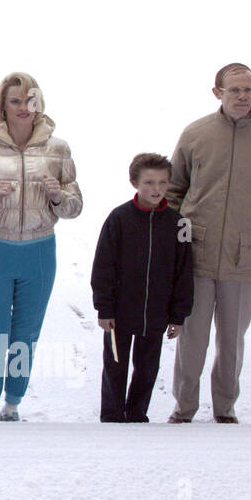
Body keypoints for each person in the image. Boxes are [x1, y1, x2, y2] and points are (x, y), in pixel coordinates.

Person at [166, 63, 251, 424]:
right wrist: (172, 249)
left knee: (232, 340)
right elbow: (175, 191)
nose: (242, 97)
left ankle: (225, 409)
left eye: (249, 90)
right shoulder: (196, 135)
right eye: (234, 91)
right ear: (217, 93)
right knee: (191, 339)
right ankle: (184, 408)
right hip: (197, 252)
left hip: (247, 257)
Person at [0, 72, 83, 421]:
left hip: (39, 253)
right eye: (15, 101)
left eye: (30, 100)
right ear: (3, 105)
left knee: (26, 333)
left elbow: (75, 206)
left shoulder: (58, 149)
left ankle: (13, 403)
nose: (23, 108)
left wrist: (57, 196)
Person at [90, 153, 194, 423]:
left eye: (162, 182)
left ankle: (137, 415)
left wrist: (178, 315)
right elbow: (103, 265)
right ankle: (112, 416)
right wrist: (104, 307)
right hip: (119, 313)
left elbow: (184, 272)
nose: (156, 189)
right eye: (148, 182)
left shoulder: (179, 223)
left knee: (147, 368)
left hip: (156, 313)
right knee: (115, 366)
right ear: (134, 182)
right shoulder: (119, 218)